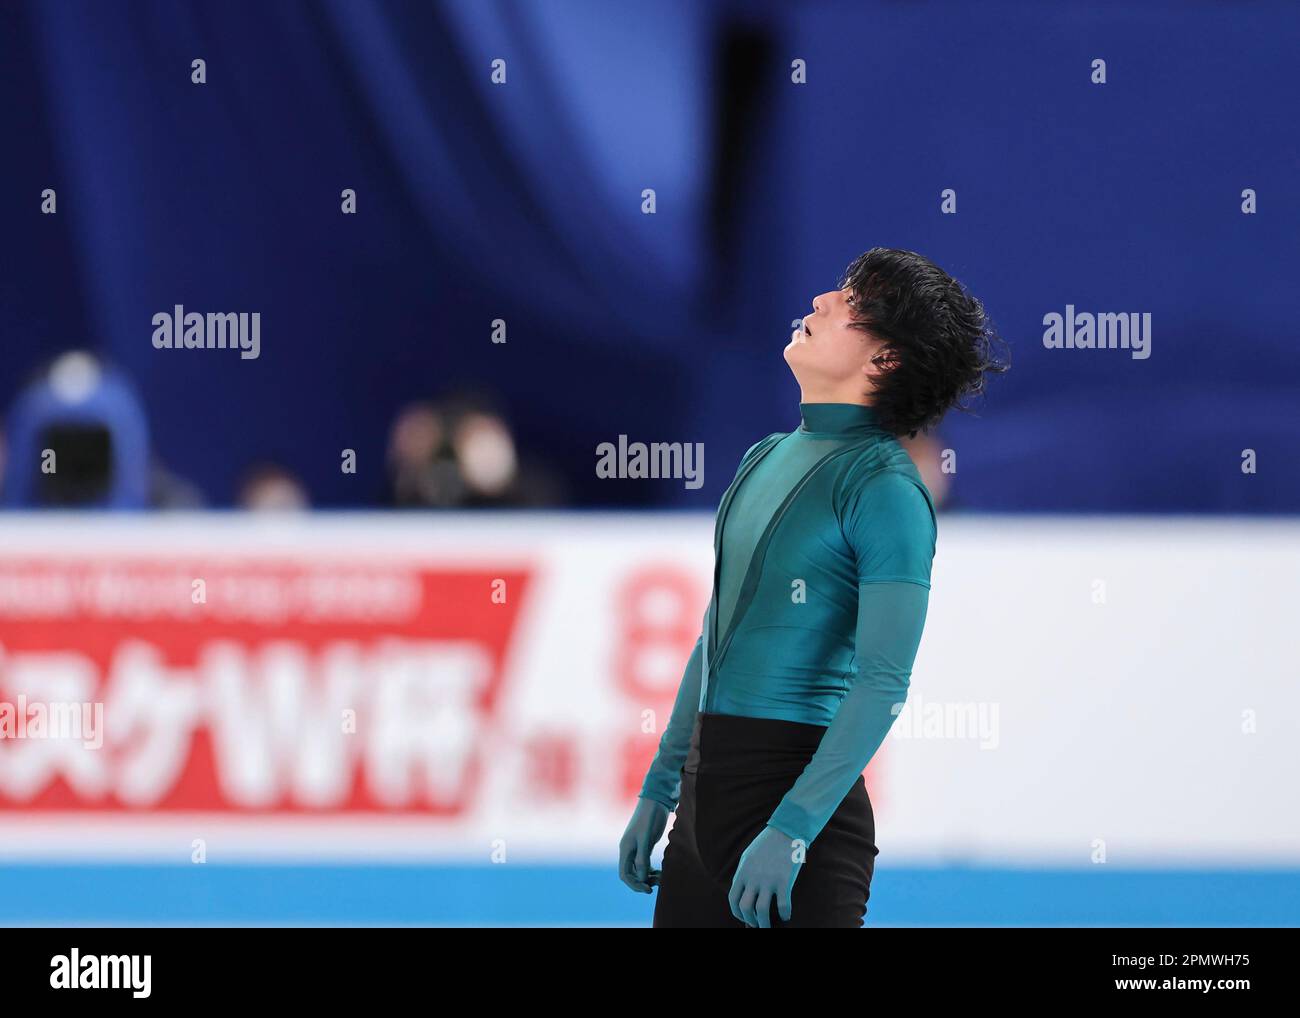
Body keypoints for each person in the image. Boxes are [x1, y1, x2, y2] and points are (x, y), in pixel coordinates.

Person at [618, 247, 1006, 927]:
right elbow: (714, 638)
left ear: (884, 361)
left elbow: (883, 682)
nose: (824, 302)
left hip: (803, 823)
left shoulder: (885, 489)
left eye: (853, 304)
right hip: (704, 806)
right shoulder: (763, 457)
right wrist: (660, 786)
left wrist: (793, 828)